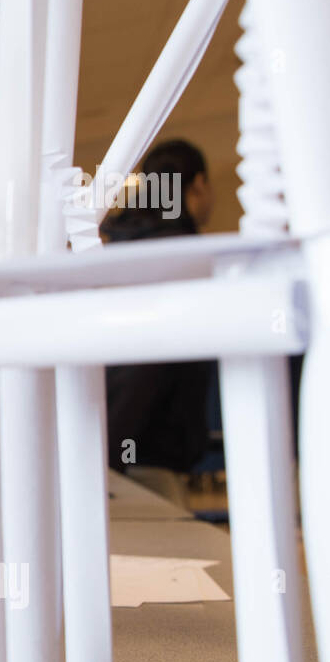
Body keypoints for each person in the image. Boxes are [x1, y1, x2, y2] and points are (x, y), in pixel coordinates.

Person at [101, 139, 214, 504]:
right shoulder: (180, 257)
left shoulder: (113, 248)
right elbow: (144, 364)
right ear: (197, 185)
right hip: (147, 457)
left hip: (105, 446)